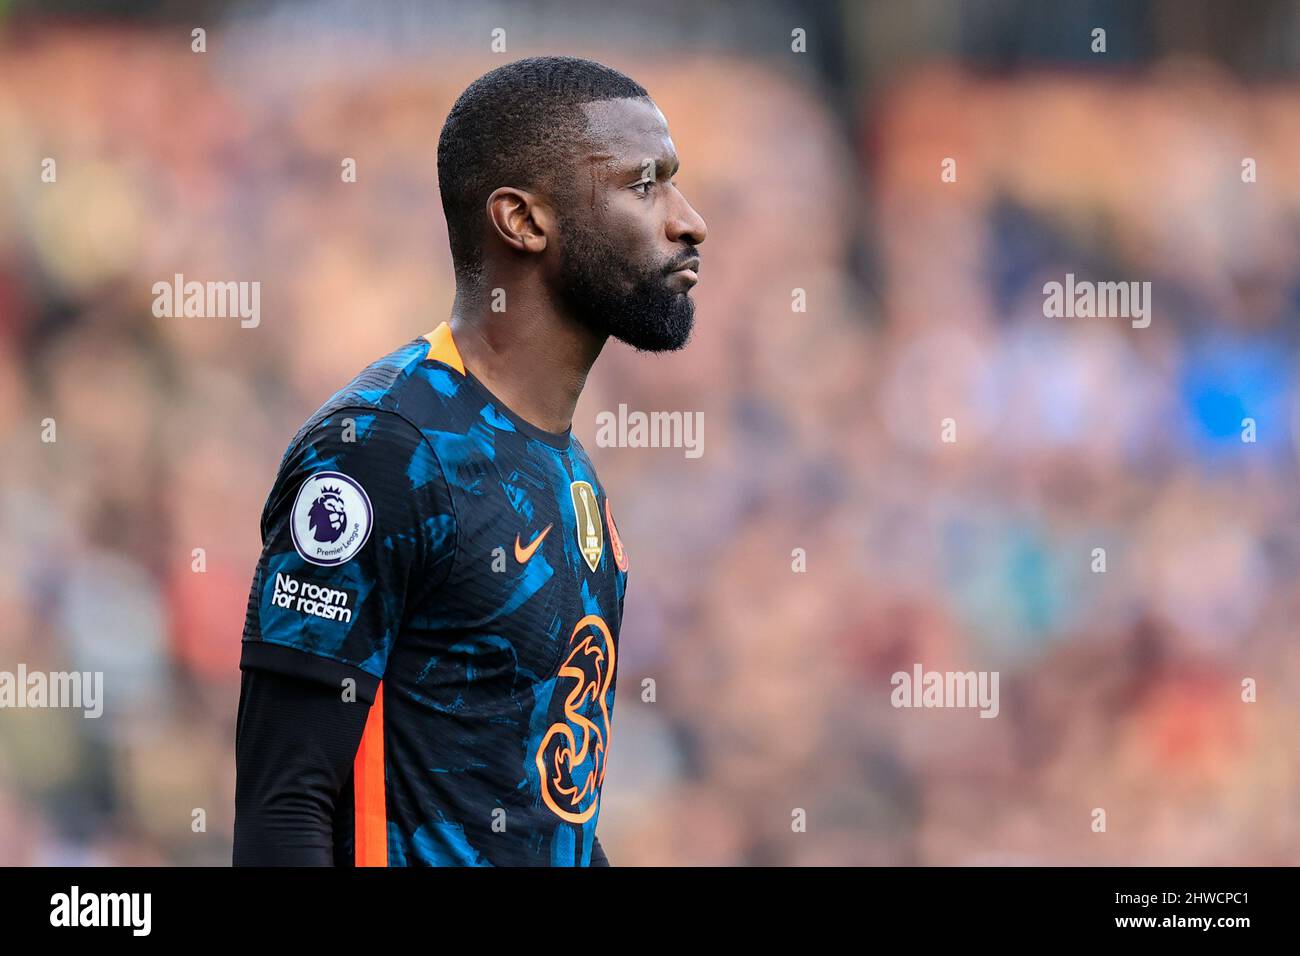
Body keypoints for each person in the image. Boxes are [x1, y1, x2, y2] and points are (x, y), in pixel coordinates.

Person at [233, 55, 707, 866]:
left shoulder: (573, 480)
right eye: (644, 185)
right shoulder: (382, 452)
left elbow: (547, 819)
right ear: (523, 222)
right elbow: (283, 812)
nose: (688, 219)